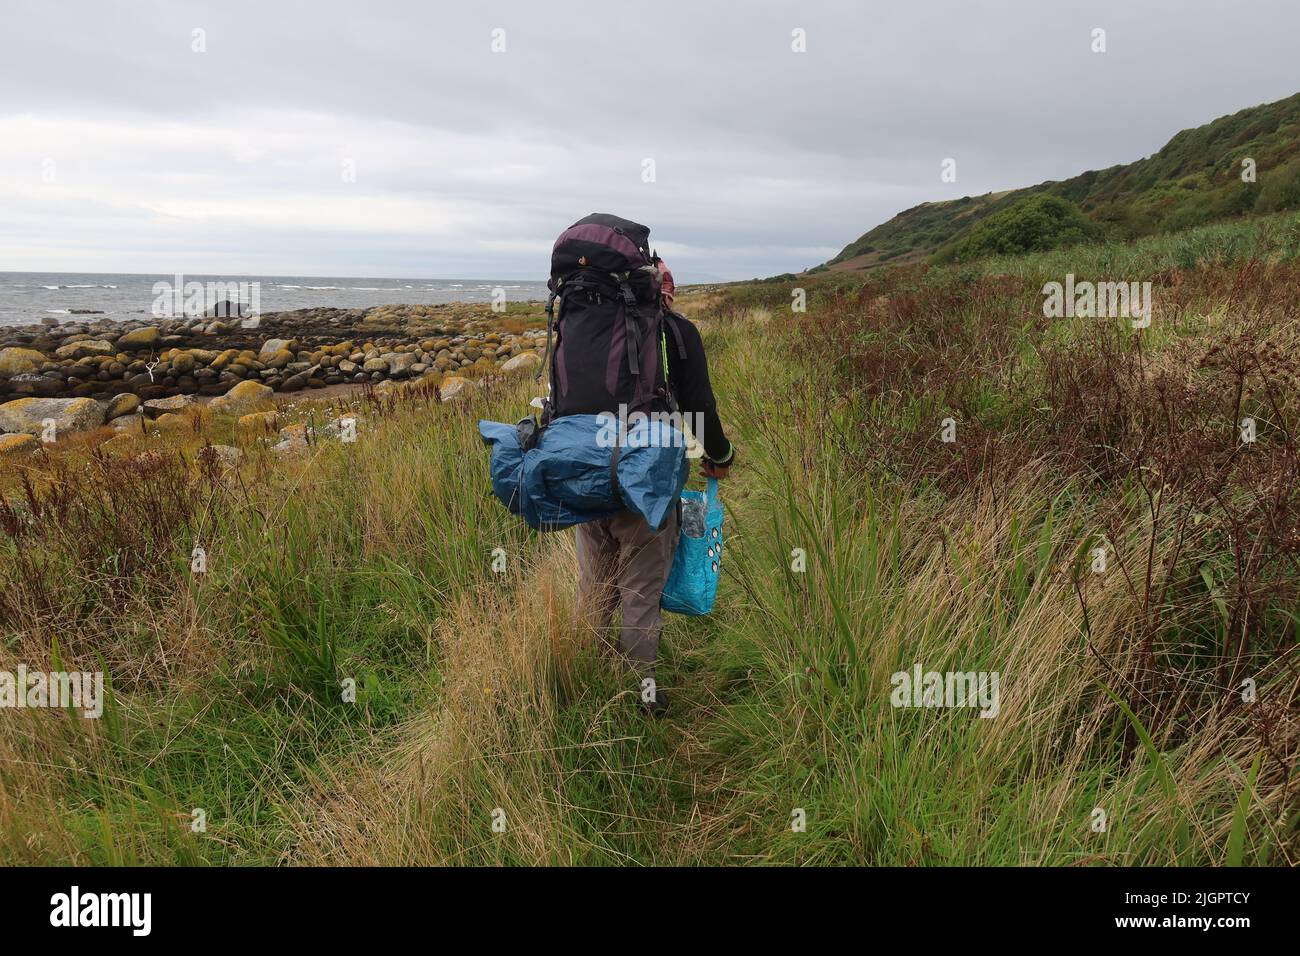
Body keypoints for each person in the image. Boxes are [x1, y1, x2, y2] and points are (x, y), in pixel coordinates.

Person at [574, 256, 733, 716]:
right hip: (646, 483)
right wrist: (720, 455)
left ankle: (584, 679)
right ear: (666, 291)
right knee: (641, 592)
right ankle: (641, 697)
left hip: (588, 472)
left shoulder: (587, 328)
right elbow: (700, 407)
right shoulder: (675, 332)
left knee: (594, 585)